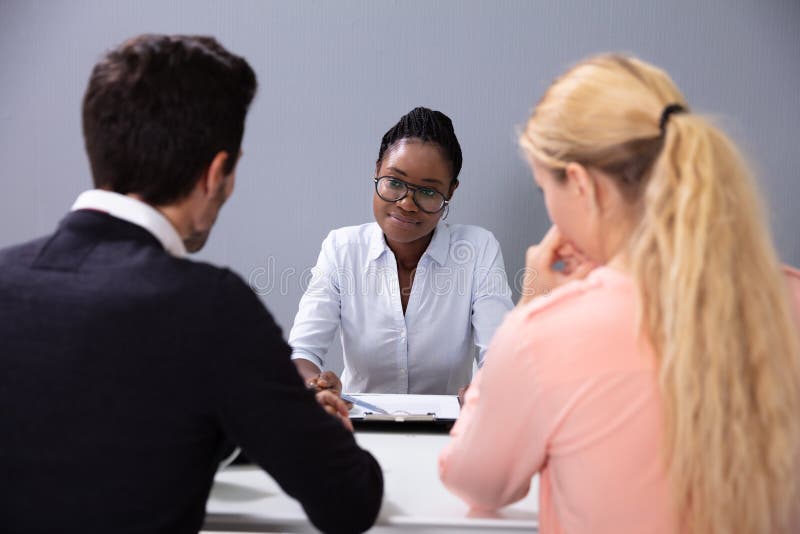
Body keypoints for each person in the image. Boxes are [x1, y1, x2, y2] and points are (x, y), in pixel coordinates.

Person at [0, 34, 382, 534]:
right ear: (218, 172)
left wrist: (265, 410)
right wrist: (320, 431)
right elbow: (349, 500)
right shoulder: (212, 307)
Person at [439, 54, 800, 534]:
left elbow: (475, 483)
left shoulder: (543, 335)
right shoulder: (791, 300)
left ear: (583, 186)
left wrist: (531, 307)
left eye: (546, 186)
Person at [289, 107, 514, 395]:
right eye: (395, 183)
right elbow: (303, 352)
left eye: (428, 191)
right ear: (376, 171)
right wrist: (314, 386)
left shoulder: (477, 249)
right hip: (360, 427)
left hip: (450, 430)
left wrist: (486, 390)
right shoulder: (342, 249)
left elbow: (500, 355)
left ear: (451, 191)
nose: (407, 203)